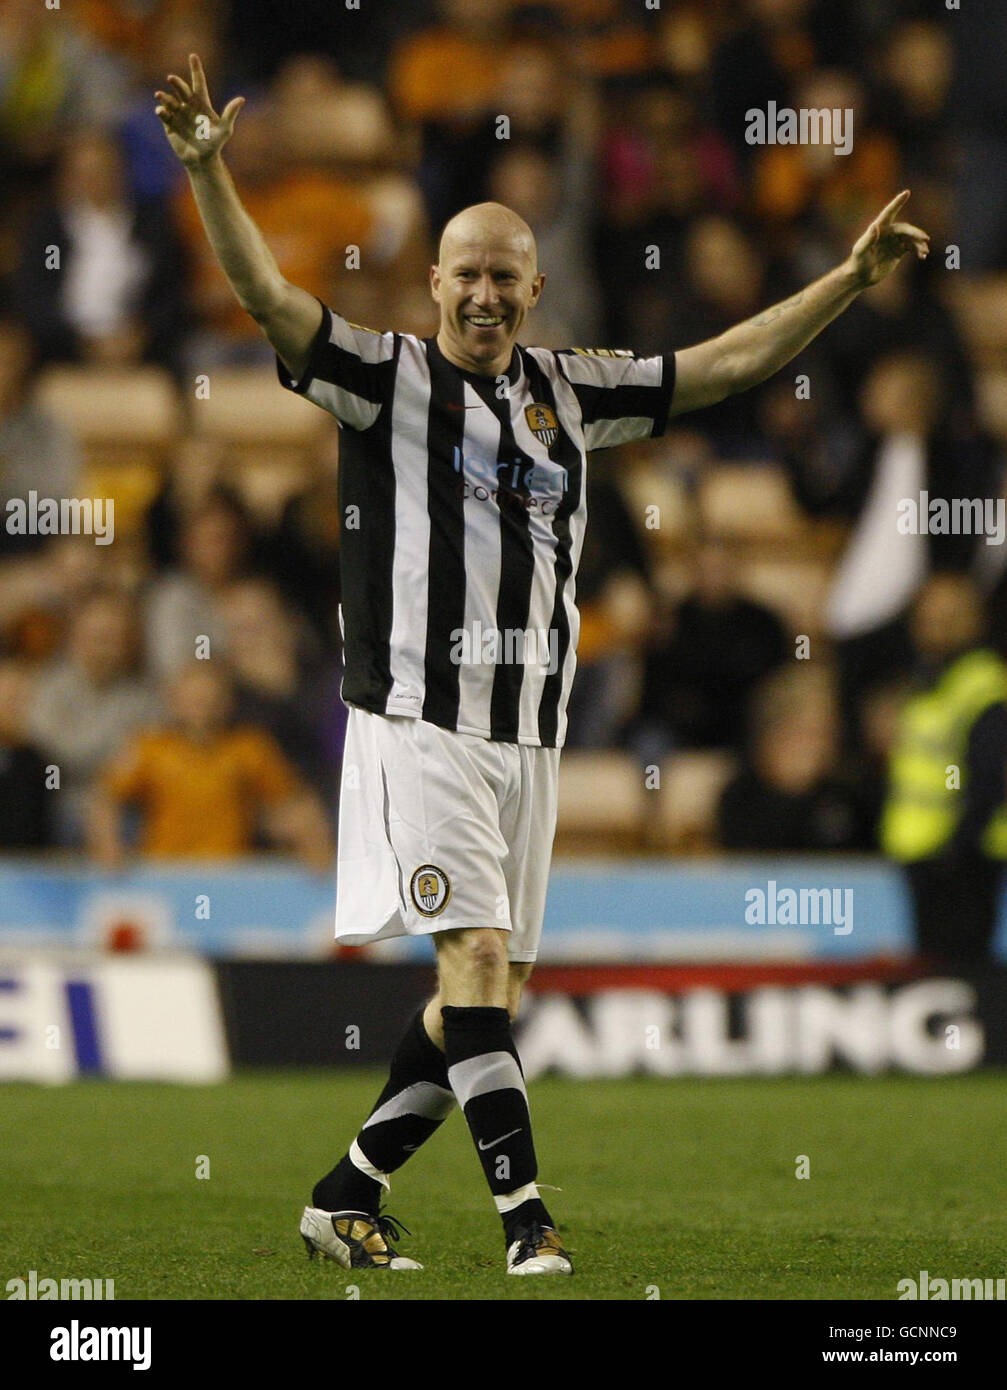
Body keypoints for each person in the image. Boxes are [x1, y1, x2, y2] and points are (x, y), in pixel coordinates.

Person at [154, 52, 929, 1275]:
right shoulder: (384, 377)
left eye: (502, 276)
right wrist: (207, 171)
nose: (481, 293)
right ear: (434, 282)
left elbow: (721, 365)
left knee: (483, 994)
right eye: (463, 272)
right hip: (420, 720)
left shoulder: (571, 394)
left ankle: (342, 1192)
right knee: (470, 966)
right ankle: (529, 1224)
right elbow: (265, 296)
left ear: (534, 288)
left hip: (529, 732)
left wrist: (842, 279)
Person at [88, 661, 333, 870]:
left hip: (229, 873)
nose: (202, 711)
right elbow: (106, 797)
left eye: (210, 701)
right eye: (194, 701)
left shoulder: (249, 748)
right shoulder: (149, 749)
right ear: (174, 702)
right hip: (165, 872)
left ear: (227, 702)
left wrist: (312, 842)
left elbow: (289, 800)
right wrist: (107, 843)